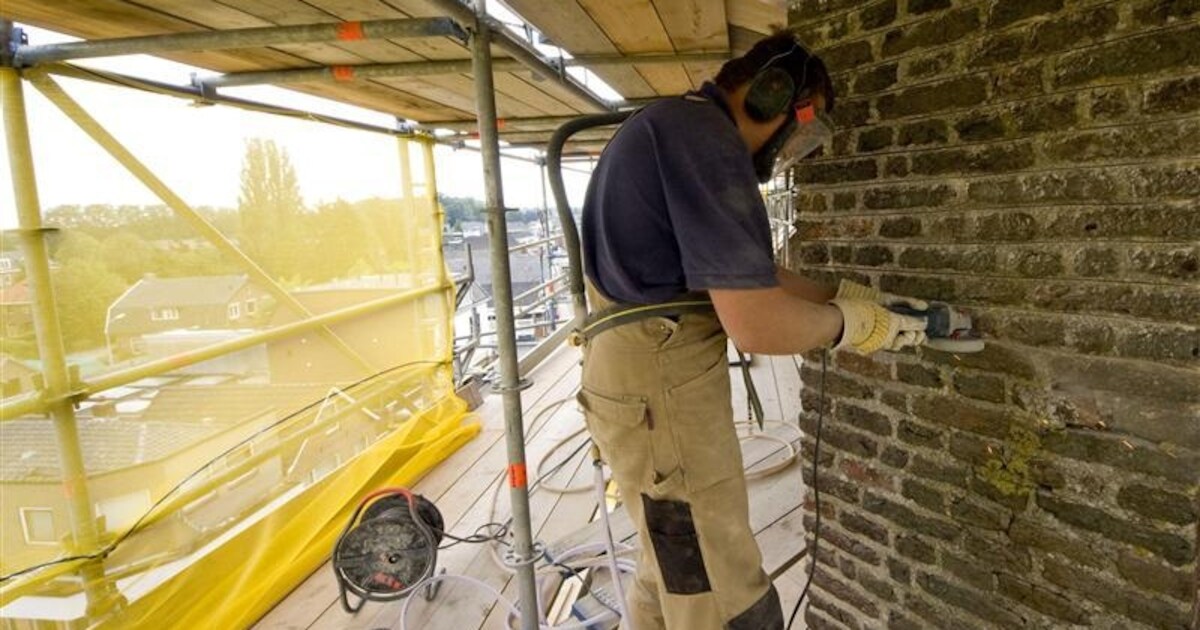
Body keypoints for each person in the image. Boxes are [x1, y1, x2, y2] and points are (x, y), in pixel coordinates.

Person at [575, 32, 928, 630]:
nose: (791, 148)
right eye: (801, 128)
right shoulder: (707, 142)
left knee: (671, 561)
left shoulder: (675, 128)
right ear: (771, 96)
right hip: (660, 386)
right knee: (718, 582)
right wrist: (852, 325)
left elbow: (751, 275)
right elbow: (757, 324)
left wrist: (840, 296)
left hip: (635, 378)